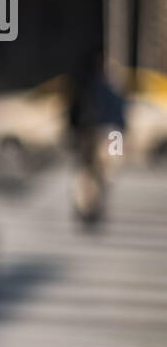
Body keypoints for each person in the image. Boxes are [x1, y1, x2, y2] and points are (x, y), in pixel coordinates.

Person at [66, 44, 125, 227]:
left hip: (101, 134)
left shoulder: (94, 85)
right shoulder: (96, 85)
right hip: (93, 134)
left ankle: (91, 209)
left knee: (100, 175)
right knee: (91, 175)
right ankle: (87, 209)